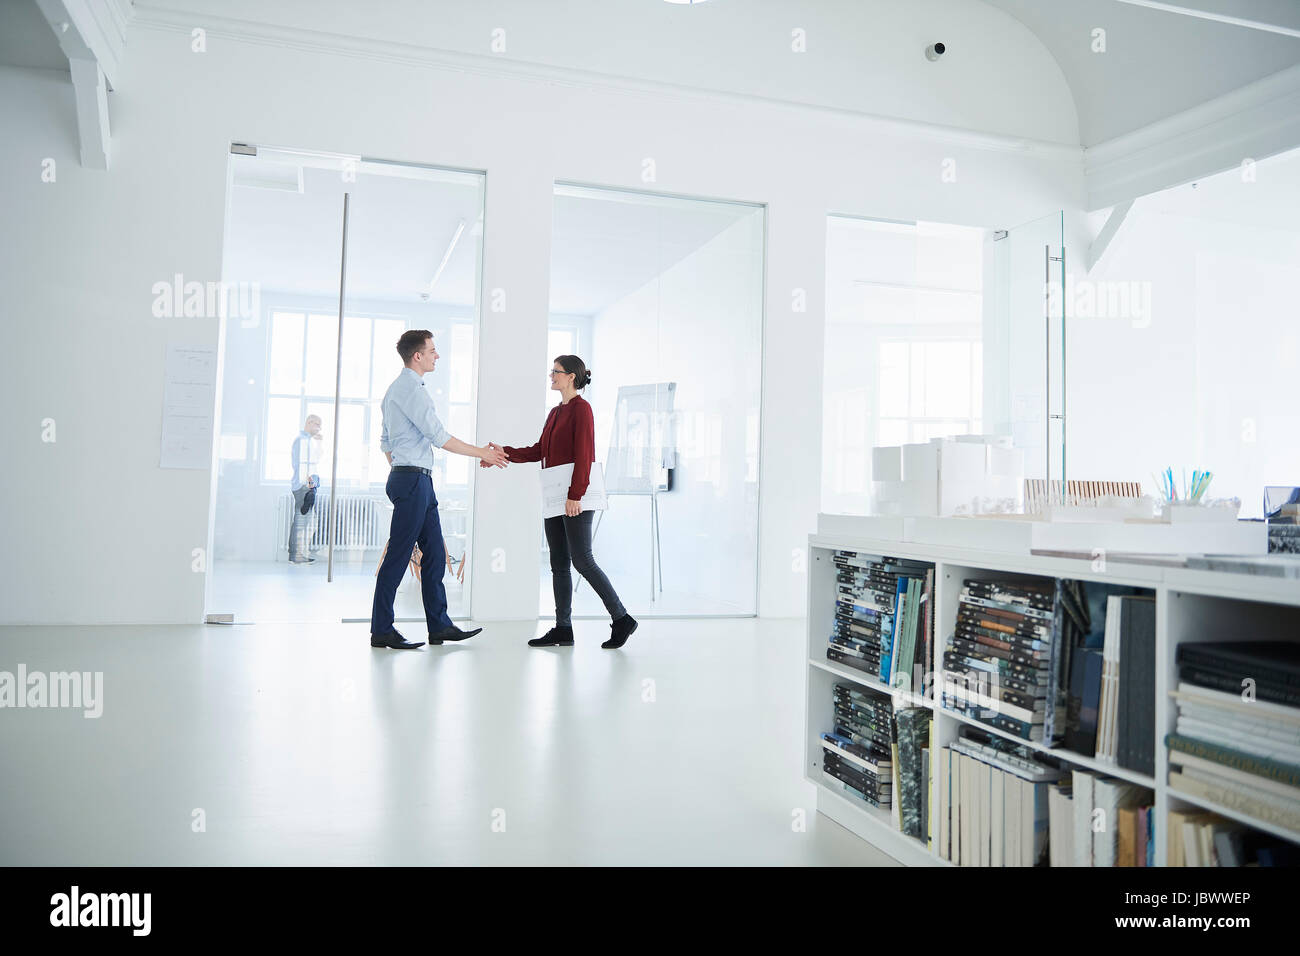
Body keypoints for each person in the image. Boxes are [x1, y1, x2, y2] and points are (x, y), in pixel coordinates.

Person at [484, 355, 637, 649]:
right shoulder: (555, 412)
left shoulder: (582, 409)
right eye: (551, 371)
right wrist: (505, 453)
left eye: (556, 371)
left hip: (573, 498)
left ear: (571, 377)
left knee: (583, 560)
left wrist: (575, 496)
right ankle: (563, 629)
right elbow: (540, 449)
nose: (551, 375)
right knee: (559, 564)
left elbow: (584, 454)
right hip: (554, 496)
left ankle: (622, 619)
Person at [370, 329, 507, 650]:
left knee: (434, 554)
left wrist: (403, 469)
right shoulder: (410, 390)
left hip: (414, 478)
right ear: (417, 356)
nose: (437, 356)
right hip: (413, 480)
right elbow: (439, 436)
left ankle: (440, 626)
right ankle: (381, 630)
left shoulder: (396, 390)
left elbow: (386, 444)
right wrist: (483, 453)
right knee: (399, 555)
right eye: (432, 351)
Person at [288, 415, 322, 564]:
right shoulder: (302, 441)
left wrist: (319, 443)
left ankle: (296, 554)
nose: (319, 428)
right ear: (309, 423)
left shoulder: (308, 441)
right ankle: (296, 555)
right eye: (317, 425)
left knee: (304, 521)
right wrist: (309, 484)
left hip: (307, 486)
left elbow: (316, 460)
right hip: (304, 487)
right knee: (301, 522)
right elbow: (302, 464)